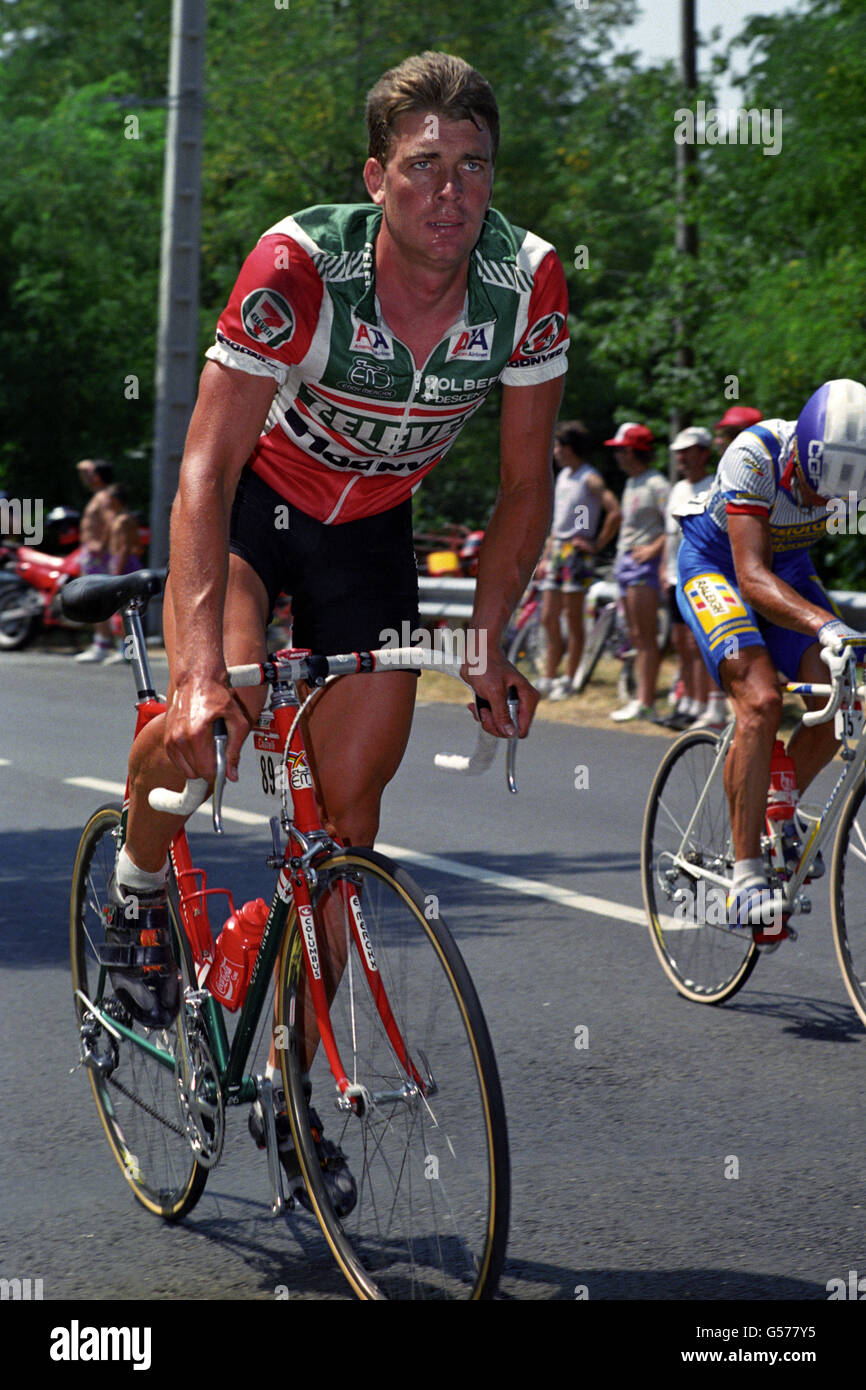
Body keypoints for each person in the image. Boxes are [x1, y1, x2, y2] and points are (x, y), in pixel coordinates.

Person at [105, 51, 569, 1205]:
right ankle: (135, 885)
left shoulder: (526, 281)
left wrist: (494, 641)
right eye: (421, 167)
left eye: (471, 166)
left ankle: (289, 1085)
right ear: (376, 177)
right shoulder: (299, 266)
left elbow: (523, 489)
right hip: (257, 507)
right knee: (214, 714)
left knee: (344, 839)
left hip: (371, 530)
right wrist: (205, 667)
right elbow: (204, 472)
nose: (449, 191)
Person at [675, 378, 866, 942]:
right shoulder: (754, 455)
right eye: (813, 490)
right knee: (759, 700)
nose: (821, 505)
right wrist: (825, 622)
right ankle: (745, 875)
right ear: (801, 455)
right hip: (720, 567)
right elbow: (751, 576)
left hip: (787, 570)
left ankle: (774, 812)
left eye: (836, 500)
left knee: (843, 696)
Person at [536, 420, 620, 700]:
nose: (555, 451)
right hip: (558, 547)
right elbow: (556, 520)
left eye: (558, 446)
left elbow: (614, 510)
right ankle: (548, 675)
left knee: (573, 618)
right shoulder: (563, 477)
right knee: (548, 616)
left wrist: (596, 544)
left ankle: (570, 678)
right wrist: (546, 556)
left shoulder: (589, 477)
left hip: (578, 551)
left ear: (569, 447)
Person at [659, 426, 727, 730]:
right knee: (680, 643)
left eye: (688, 451)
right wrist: (663, 568)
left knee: (699, 642)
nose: (681, 458)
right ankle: (686, 701)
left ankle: (708, 704)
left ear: (703, 453)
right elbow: (668, 534)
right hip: (673, 575)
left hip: (700, 576)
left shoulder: (713, 486)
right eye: (679, 453)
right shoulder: (677, 489)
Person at [605, 422, 670, 721]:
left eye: (620, 450)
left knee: (645, 636)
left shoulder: (657, 483)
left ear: (632, 451)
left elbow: (674, 523)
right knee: (635, 634)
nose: (617, 456)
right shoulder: (632, 482)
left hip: (645, 564)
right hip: (626, 563)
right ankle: (640, 697)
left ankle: (645, 701)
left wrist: (654, 550)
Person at [73, 459, 117, 662]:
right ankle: (102, 643)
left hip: (99, 557)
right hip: (93, 556)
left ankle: (102, 645)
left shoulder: (103, 497)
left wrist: (101, 544)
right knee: (95, 600)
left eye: (91, 474)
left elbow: (112, 522)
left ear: (97, 476)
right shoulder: (100, 495)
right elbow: (81, 466)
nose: (86, 477)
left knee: (96, 600)